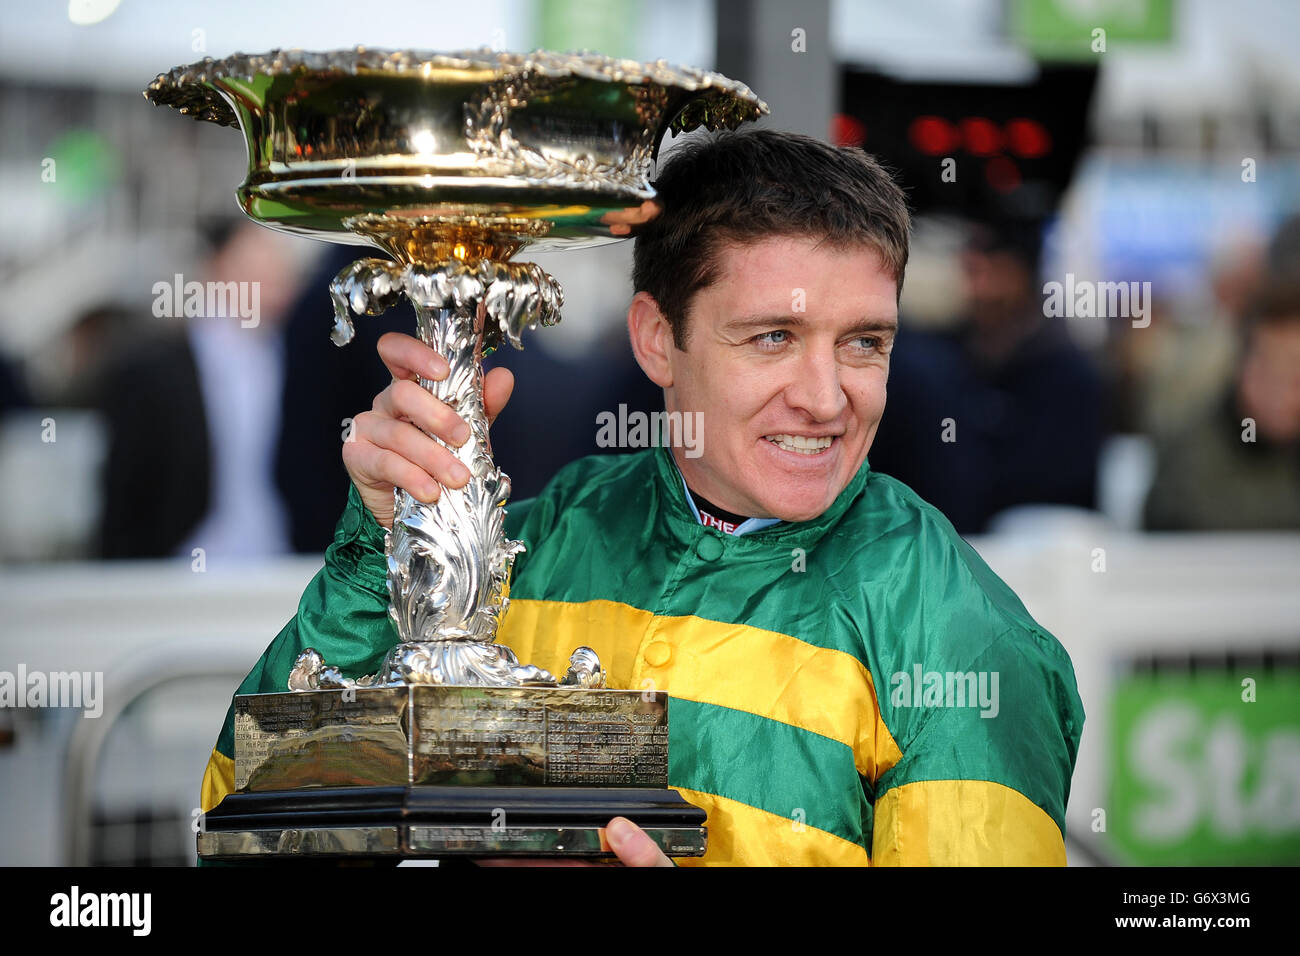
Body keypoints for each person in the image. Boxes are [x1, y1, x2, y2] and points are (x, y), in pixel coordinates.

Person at [200, 130, 1084, 866]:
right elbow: (241, 820)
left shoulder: (960, 632)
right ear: (658, 341)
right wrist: (381, 549)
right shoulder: (531, 545)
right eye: (773, 338)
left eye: (864, 343)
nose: (825, 396)